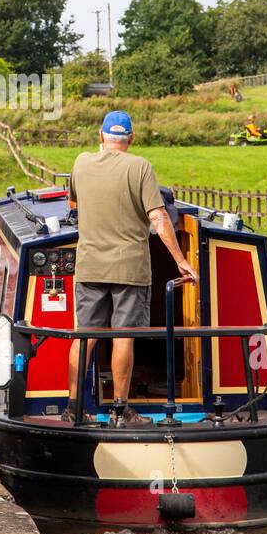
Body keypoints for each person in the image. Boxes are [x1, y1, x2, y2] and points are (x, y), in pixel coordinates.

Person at [67, 110, 198, 427]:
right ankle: (120, 410)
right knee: (123, 337)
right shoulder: (141, 167)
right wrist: (181, 261)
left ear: (101, 136)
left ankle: (72, 408)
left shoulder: (81, 163)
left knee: (85, 336)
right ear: (131, 138)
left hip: (89, 265)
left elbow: (74, 205)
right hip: (130, 269)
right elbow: (158, 217)